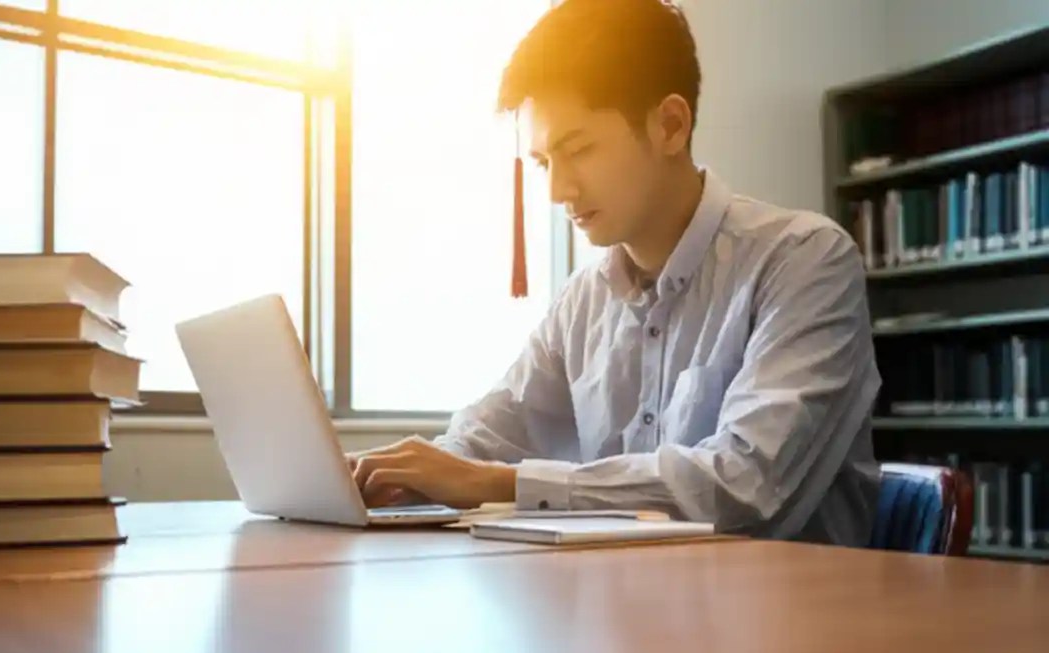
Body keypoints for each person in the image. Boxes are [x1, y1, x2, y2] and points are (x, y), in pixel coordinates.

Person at [350, 0, 881, 545]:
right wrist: (387, 476)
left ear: (671, 126)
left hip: (796, 616)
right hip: (634, 611)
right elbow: (485, 437)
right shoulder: (583, 301)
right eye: (542, 163)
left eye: (577, 150)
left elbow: (745, 487)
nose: (557, 191)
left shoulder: (805, 260)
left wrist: (500, 483)